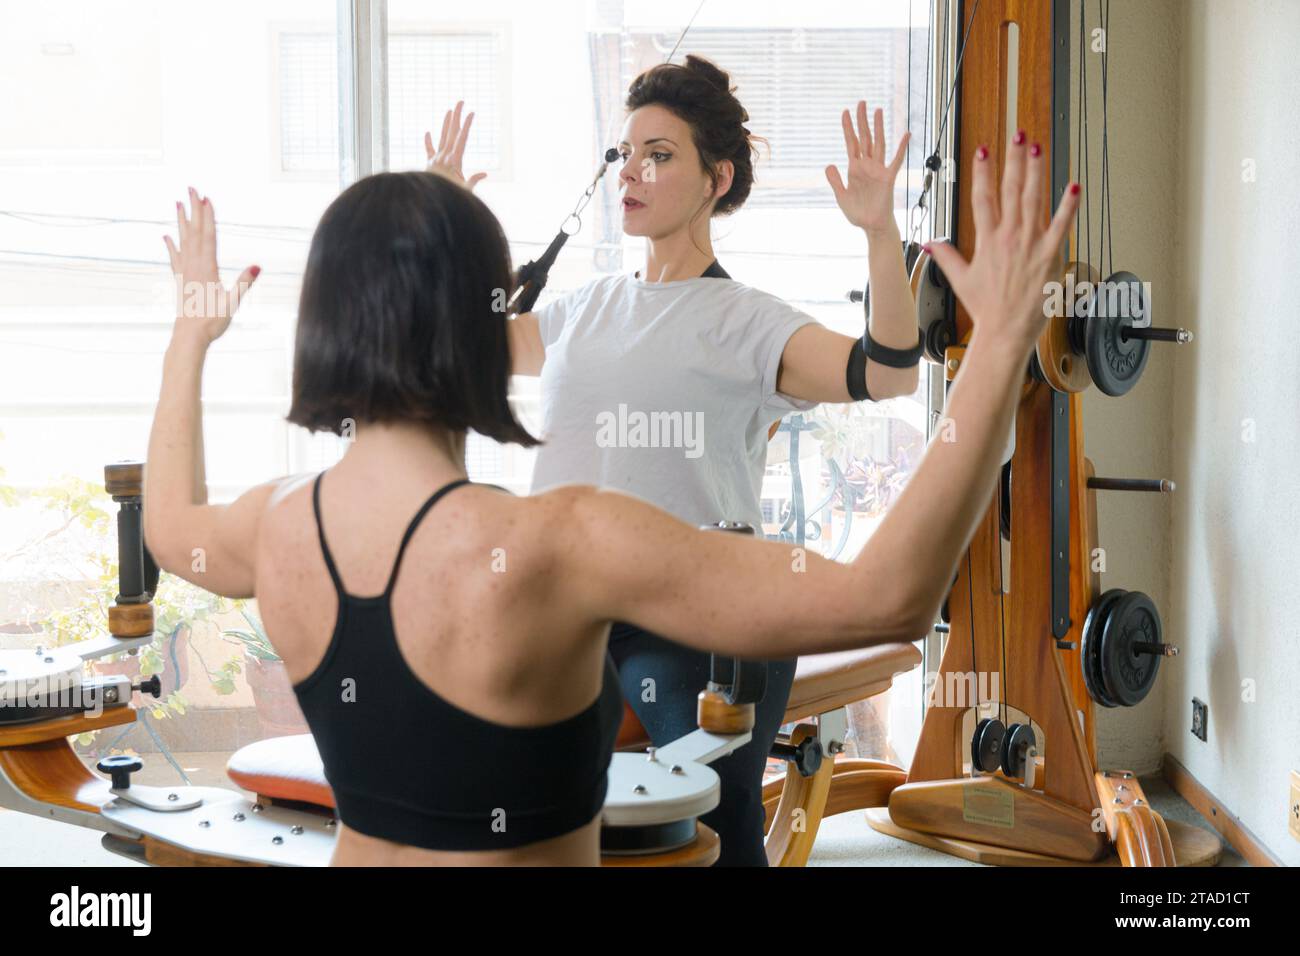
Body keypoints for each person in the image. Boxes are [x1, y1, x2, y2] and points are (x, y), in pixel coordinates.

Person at [142, 130, 1079, 865]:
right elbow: (886, 600)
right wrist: (997, 346)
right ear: (476, 333)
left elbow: (168, 525)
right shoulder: (564, 539)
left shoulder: (274, 526)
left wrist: (190, 336)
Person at [458, 55, 921, 864]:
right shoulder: (584, 307)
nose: (631, 171)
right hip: (565, 606)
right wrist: (451, 225)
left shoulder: (747, 322)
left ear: (717, 178)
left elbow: (888, 369)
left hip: (698, 617)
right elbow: (463, 346)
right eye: (626, 153)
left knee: (703, 822)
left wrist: (880, 233)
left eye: (659, 155)